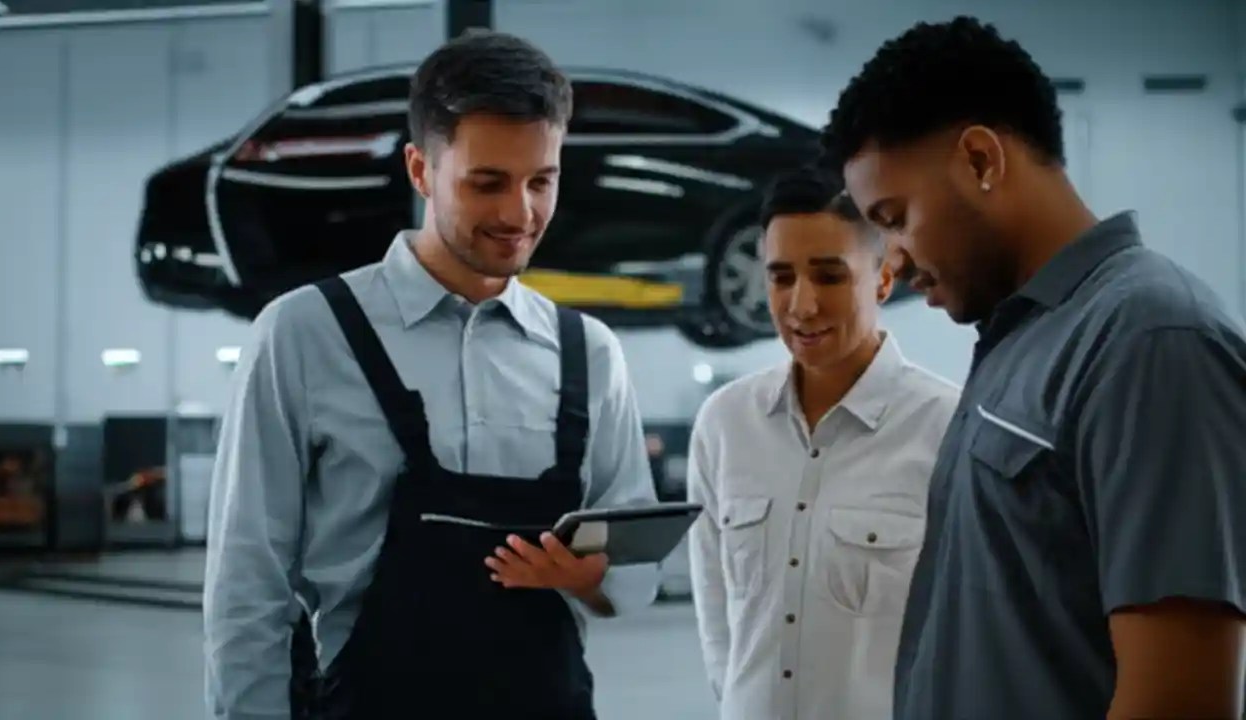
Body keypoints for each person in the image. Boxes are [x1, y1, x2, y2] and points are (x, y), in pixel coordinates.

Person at [202, 30, 660, 720]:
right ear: (420, 170)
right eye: (488, 183)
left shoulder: (588, 353)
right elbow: (248, 580)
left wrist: (592, 575)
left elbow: (636, 568)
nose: (519, 214)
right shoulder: (305, 334)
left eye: (542, 181)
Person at [819, 15, 1246, 720]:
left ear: (982, 161)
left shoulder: (1150, 340)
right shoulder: (1021, 340)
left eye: (895, 217)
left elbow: (1180, 698)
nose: (890, 259)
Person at [686, 165, 961, 720]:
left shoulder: (945, 426)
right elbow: (718, 617)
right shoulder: (725, 424)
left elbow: (968, 629)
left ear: (884, 277)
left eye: (830, 276)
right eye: (781, 277)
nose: (802, 305)